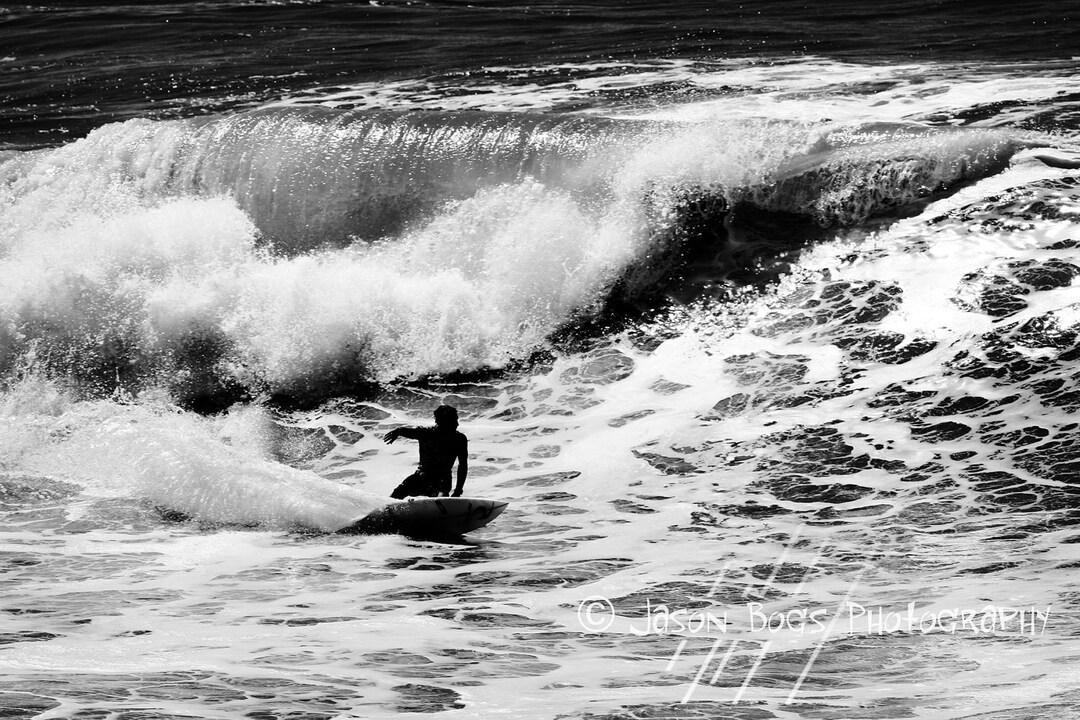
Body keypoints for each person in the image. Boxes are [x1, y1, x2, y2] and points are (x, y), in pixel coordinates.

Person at [383, 404, 469, 499]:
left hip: (442, 481)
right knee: (396, 494)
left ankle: (440, 503)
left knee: (440, 495)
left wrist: (458, 491)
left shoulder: (459, 439)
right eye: (454, 421)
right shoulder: (427, 433)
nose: (457, 424)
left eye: (456, 420)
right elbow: (407, 431)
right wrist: (397, 431)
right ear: (442, 422)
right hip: (421, 477)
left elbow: (463, 466)